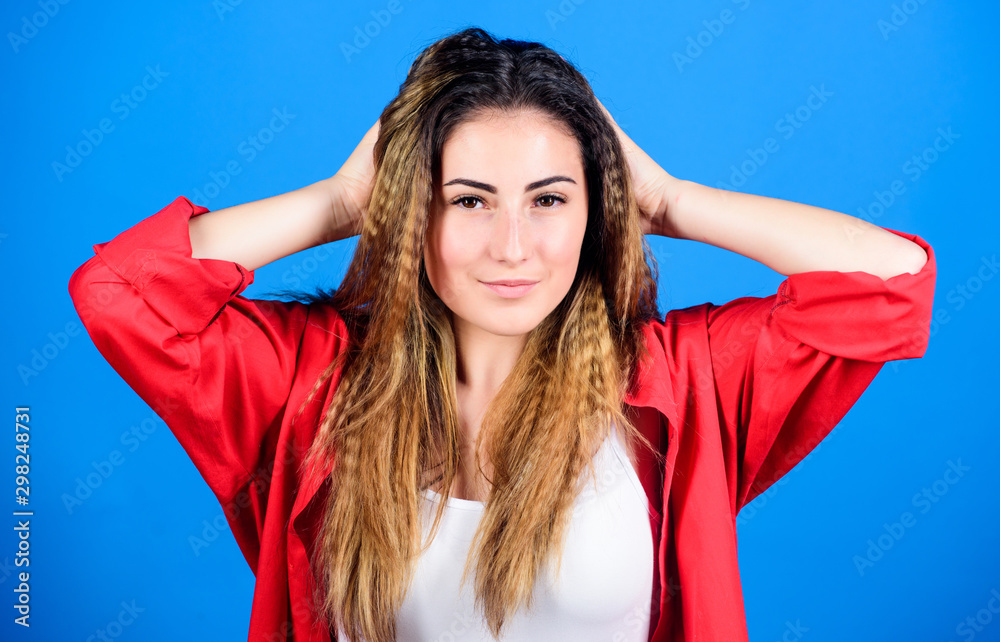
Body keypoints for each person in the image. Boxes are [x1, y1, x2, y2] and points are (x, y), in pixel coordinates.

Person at [68, 26, 936, 642]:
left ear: (598, 208)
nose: (513, 248)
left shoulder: (684, 383)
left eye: (549, 199)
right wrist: (337, 202)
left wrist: (670, 200)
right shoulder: (308, 383)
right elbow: (117, 294)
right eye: (469, 200)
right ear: (414, 210)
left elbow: (893, 282)